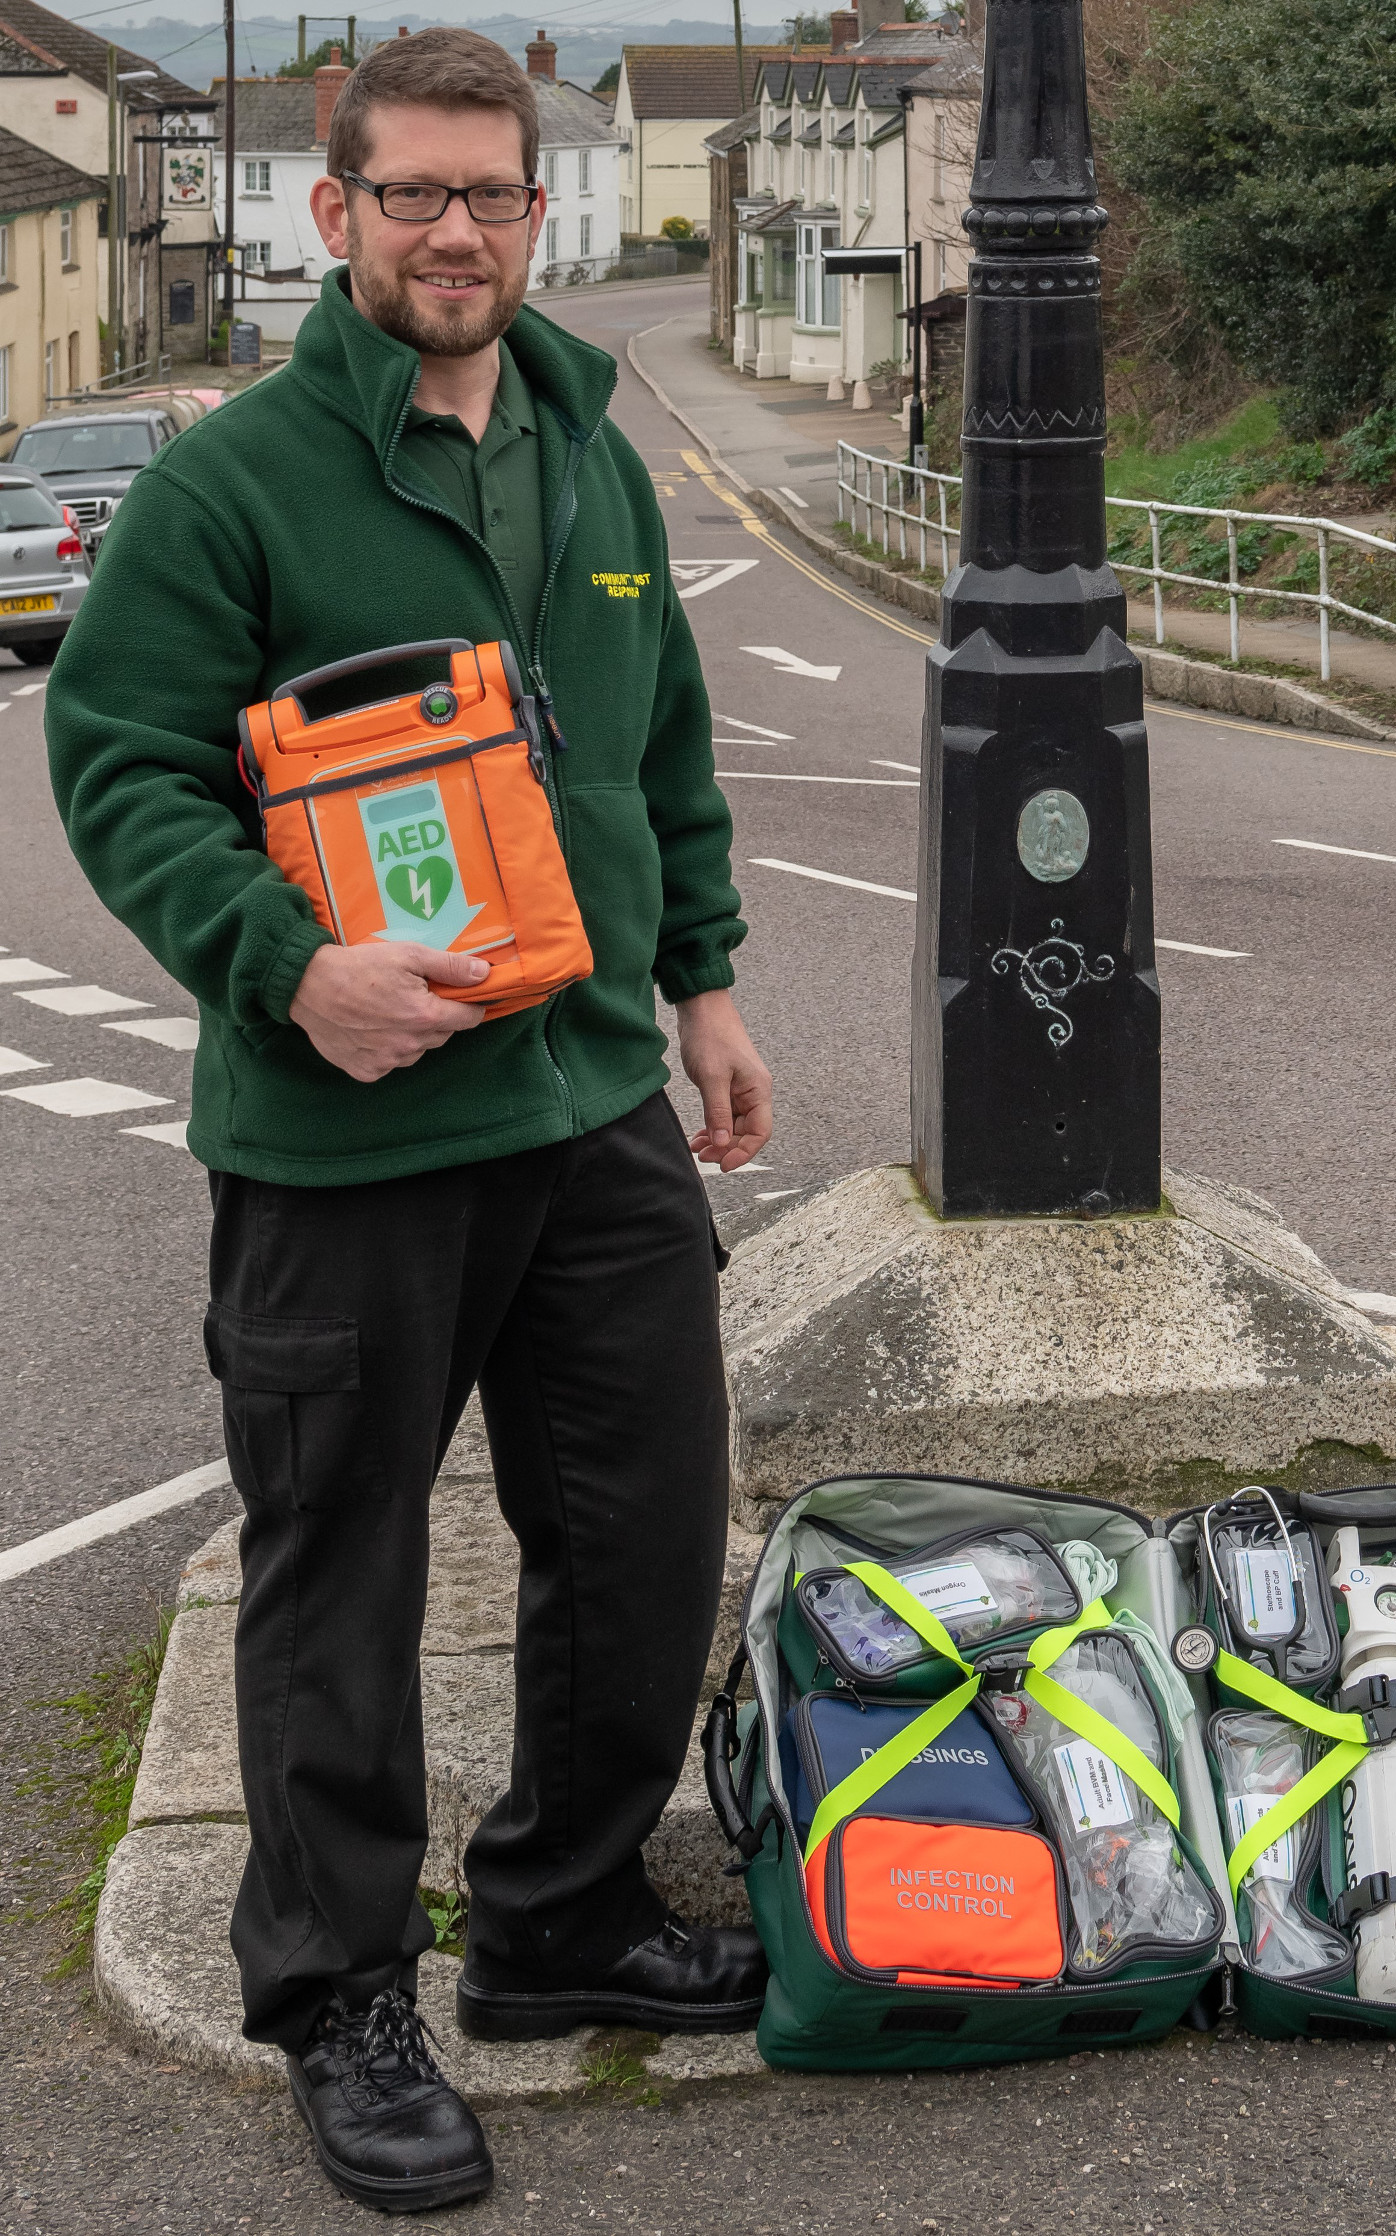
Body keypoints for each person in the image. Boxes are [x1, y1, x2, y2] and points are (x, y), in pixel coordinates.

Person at [46, 26, 772, 2216]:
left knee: (644, 1524)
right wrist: (290, 965)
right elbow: (120, 765)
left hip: (591, 1101)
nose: (457, 231)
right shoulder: (235, 484)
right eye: (414, 194)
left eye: (492, 195)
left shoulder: (590, 451)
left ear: (536, 215)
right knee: (335, 1563)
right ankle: (338, 1993)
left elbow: (657, 744)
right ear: (334, 210)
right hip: (346, 1133)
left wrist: (703, 985)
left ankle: (559, 1915)